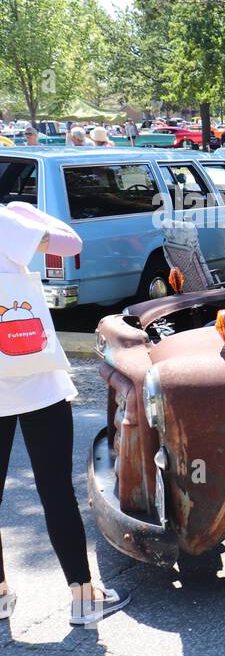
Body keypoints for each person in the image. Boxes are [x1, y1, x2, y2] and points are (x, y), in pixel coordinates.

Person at [0, 203, 130, 625]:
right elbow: (70, 243)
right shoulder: (7, 220)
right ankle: (84, 595)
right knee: (54, 489)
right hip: (33, 377)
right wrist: (28, 211)